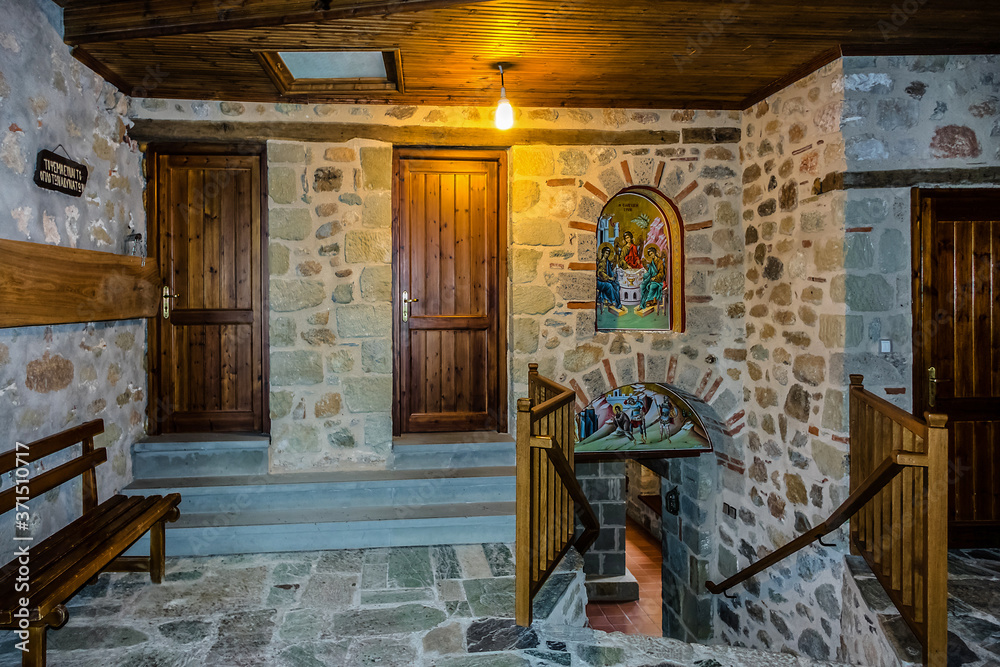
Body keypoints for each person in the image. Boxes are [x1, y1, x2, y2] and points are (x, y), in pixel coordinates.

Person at [596, 243, 622, 308]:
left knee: (616, 285)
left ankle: (618, 303)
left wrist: (614, 275)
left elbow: (609, 272)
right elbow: (601, 273)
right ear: (603, 253)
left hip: (606, 280)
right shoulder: (601, 262)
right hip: (600, 281)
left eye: (608, 253)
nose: (607, 255)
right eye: (606, 253)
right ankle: (613, 301)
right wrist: (609, 278)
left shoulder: (607, 262)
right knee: (609, 285)